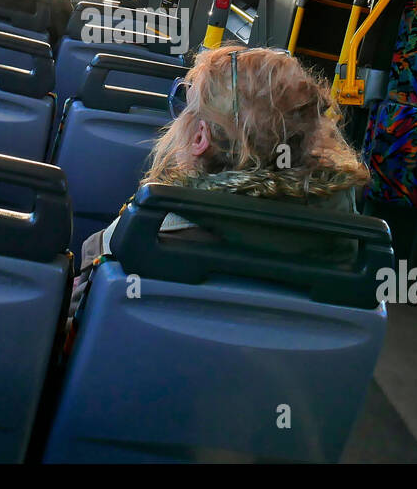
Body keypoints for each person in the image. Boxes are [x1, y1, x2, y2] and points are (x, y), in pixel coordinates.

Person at [67, 45, 371, 327]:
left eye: (185, 105)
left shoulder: (146, 232)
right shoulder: (351, 249)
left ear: (201, 138)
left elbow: (76, 326)